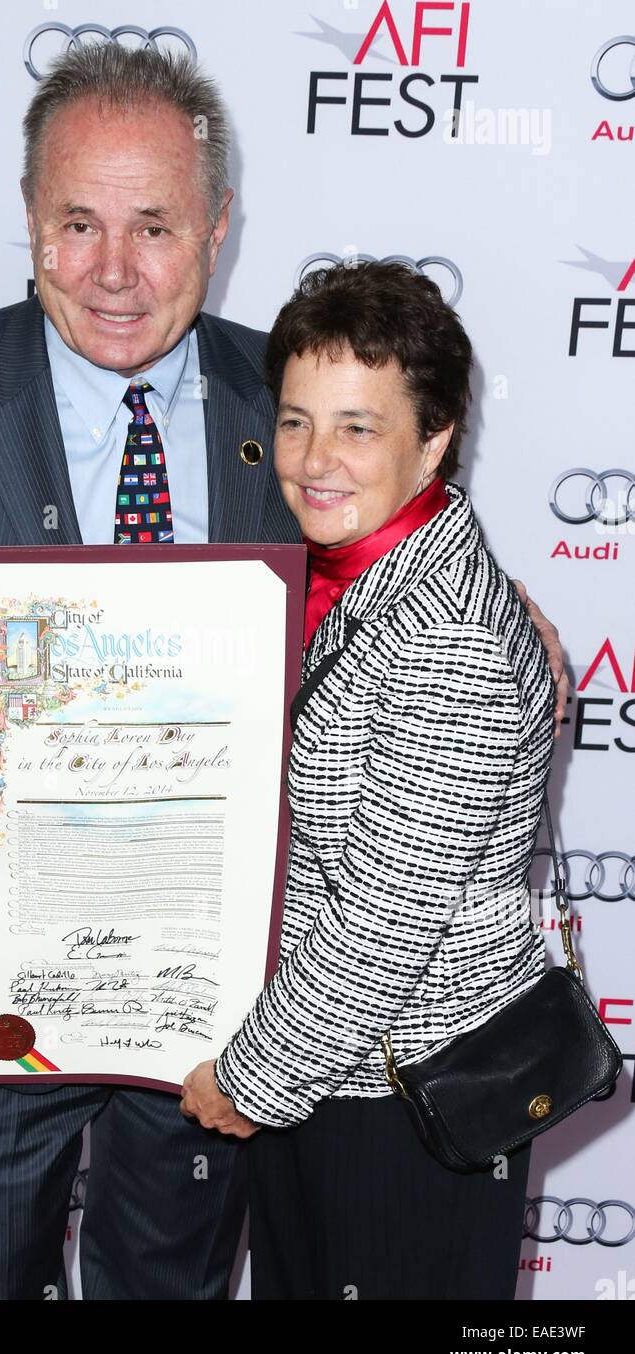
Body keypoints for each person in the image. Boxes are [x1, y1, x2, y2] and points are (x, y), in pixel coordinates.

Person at [0, 45, 564, 1301]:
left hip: (222, 988)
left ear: (216, 226)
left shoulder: (297, 402)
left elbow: (394, 584)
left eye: (154, 224)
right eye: (77, 222)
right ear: (30, 220)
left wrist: (520, 639)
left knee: (174, 1286)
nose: (113, 270)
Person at [181, 260, 556, 1301]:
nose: (311, 460)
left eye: (356, 427)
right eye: (295, 422)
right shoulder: (345, 573)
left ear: (432, 438)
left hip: (402, 1100)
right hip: (336, 1075)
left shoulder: (443, 637)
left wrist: (249, 1076)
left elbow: (383, 919)